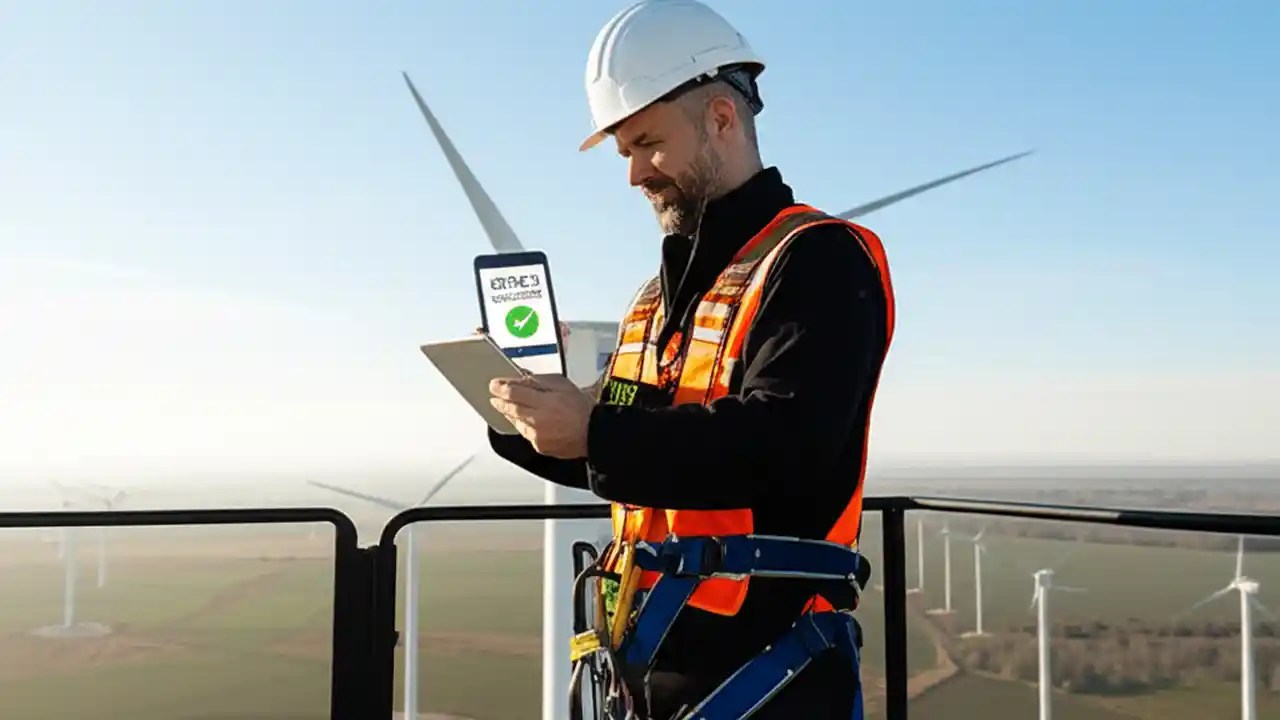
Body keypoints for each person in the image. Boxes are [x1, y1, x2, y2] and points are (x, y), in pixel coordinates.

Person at [486, 1, 895, 717]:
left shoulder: (819, 259)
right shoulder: (655, 298)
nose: (635, 174)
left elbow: (789, 443)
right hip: (649, 665)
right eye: (624, 153)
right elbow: (626, 456)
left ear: (721, 120)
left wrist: (595, 431)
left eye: (648, 143)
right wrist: (524, 418)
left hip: (772, 672)